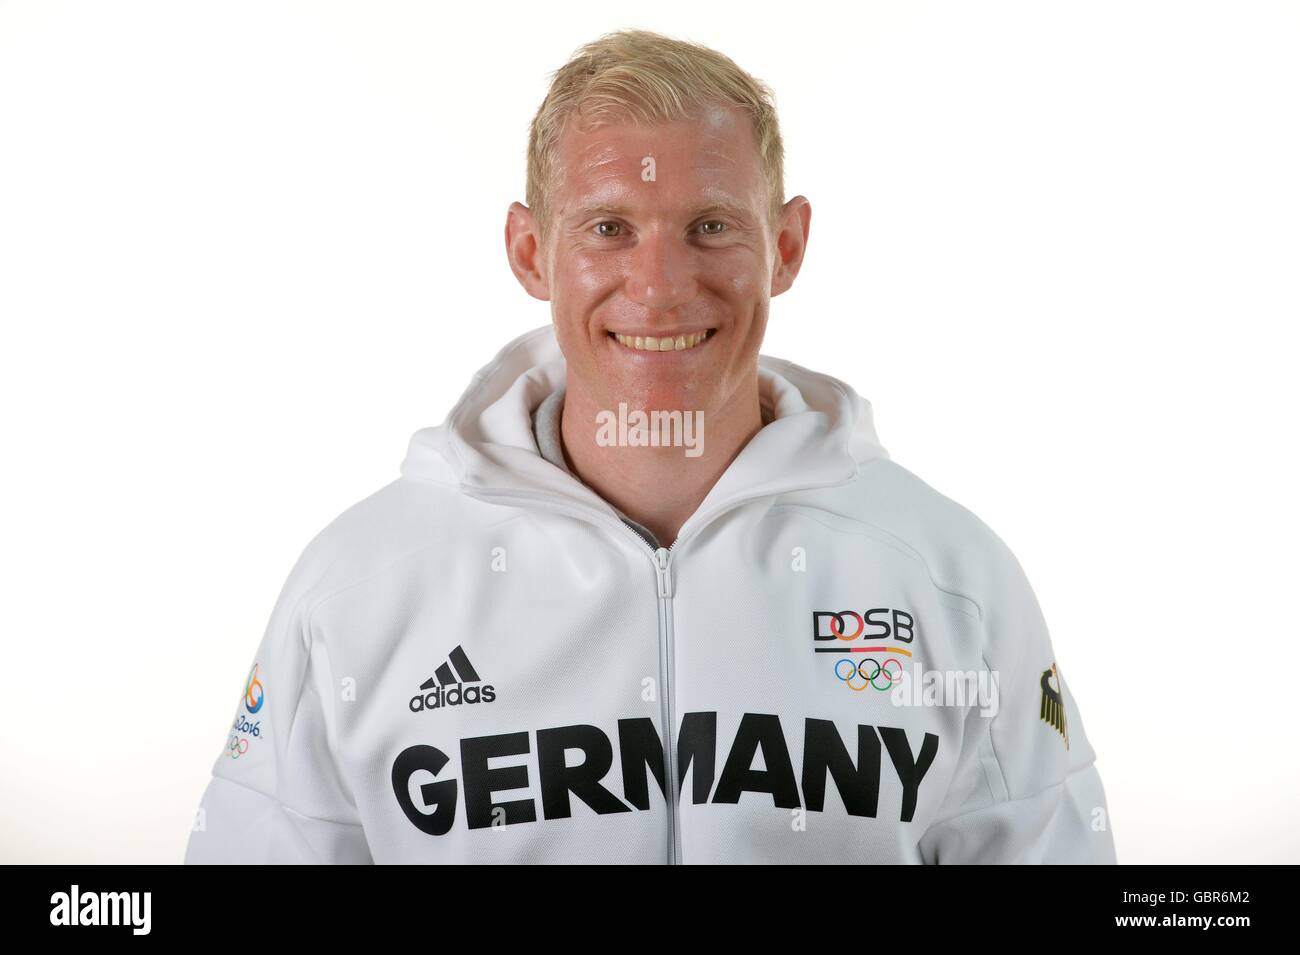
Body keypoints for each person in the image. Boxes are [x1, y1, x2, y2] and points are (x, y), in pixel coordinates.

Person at [184, 28, 1117, 864]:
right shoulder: (360, 588)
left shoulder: (949, 576)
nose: (661, 286)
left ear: (786, 245)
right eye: (609, 229)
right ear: (530, 252)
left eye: (710, 228)